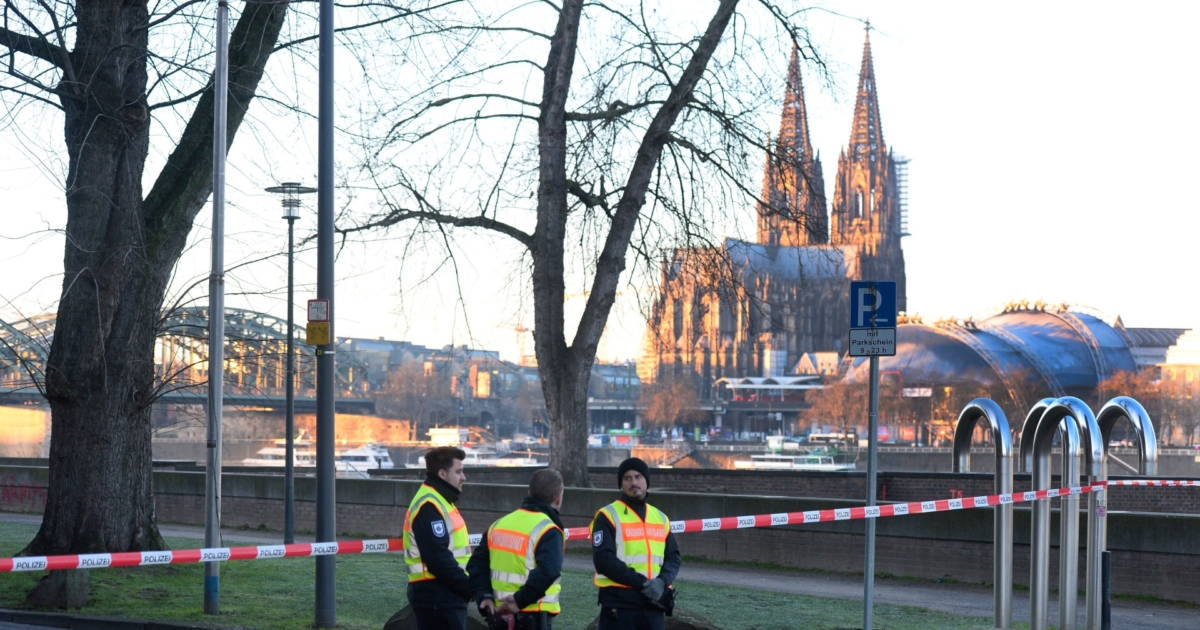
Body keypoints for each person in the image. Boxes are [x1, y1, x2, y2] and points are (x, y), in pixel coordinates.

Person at [467, 469, 565, 630]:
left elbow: (476, 564)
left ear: (529, 492)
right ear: (559, 498)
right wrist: (520, 600)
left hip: (498, 618)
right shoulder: (548, 530)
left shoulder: (498, 525)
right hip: (533, 617)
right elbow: (549, 570)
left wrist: (484, 595)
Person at [591, 457, 682, 630]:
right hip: (620, 605)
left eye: (638, 477)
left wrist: (662, 582)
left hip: (653, 605)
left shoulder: (660, 517)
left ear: (647, 481)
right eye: (628, 478)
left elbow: (674, 557)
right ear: (621, 484)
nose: (634, 482)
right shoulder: (607, 515)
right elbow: (603, 560)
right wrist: (644, 584)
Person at [404, 446, 472, 630]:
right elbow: (438, 558)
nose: (463, 477)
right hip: (438, 597)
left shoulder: (439, 500)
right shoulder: (429, 505)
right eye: (458, 472)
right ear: (442, 473)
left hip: (442, 595)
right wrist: (469, 587)